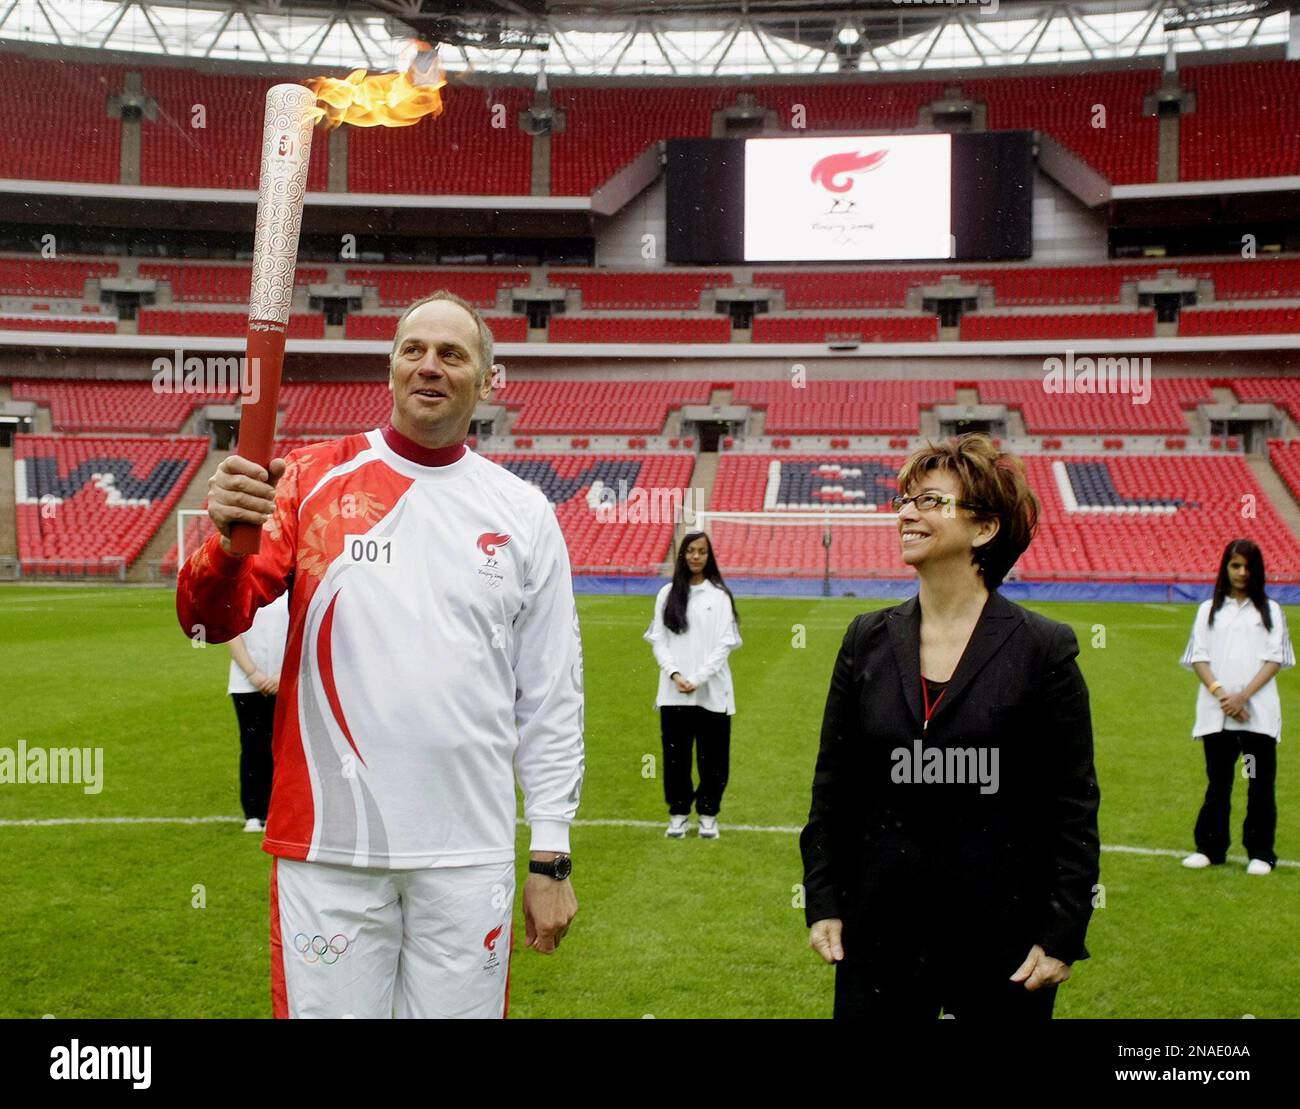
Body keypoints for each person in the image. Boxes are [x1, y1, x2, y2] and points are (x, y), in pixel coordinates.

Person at [177, 289, 585, 1019]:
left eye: (452, 353)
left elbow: (551, 693)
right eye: (412, 350)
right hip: (330, 851)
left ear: (489, 379)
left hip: (468, 852)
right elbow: (208, 620)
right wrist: (225, 545)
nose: (429, 366)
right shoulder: (308, 481)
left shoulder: (523, 512)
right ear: (390, 368)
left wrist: (550, 852)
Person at [801, 433, 1100, 1020]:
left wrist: (1063, 931)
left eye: (931, 501)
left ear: (984, 528)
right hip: (881, 926)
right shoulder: (866, 638)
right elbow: (835, 785)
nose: (907, 512)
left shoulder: (1043, 648)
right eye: (904, 501)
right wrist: (825, 899)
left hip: (1002, 935)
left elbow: (1072, 802)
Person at [1179, 538, 1292, 876]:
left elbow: (1276, 658)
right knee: (1218, 782)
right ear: (1225, 568)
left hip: (1258, 717)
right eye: (1236, 566)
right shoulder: (1208, 611)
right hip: (1217, 715)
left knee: (1258, 782)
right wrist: (1222, 694)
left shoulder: (1270, 611)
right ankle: (1210, 849)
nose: (1242, 573)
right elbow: (1198, 656)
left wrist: (1243, 697)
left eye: (1248, 566)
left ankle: (1260, 852)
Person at [643, 532, 741, 839]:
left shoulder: (720, 596)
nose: (696, 556)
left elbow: (725, 643)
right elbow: (659, 640)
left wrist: (697, 678)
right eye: (691, 551)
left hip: (713, 693)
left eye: (702, 551)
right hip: (674, 694)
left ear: (709, 557)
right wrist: (675, 674)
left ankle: (709, 814)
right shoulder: (667, 594)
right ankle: (679, 813)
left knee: (713, 759)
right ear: (682, 555)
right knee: (676, 758)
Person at [227, 591, 289, 833]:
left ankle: (280, 811)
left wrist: (282, 675)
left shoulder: (294, 588)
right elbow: (231, 632)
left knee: (284, 747)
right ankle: (254, 813)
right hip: (246, 682)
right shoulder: (241, 589)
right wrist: (253, 673)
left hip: (287, 681)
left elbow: (303, 632)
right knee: (253, 745)